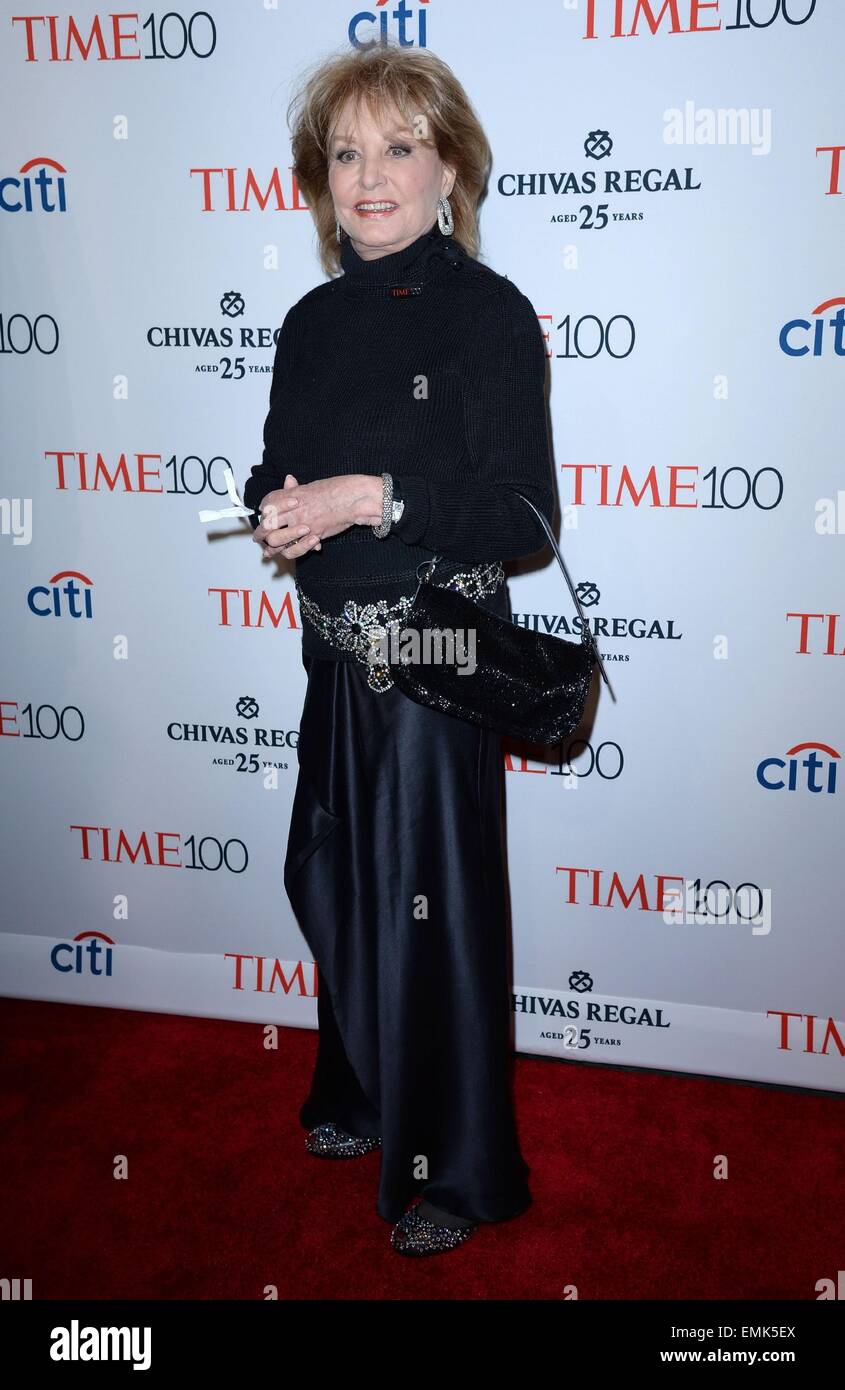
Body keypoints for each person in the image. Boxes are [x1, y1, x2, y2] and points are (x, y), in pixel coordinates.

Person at [243, 41, 556, 1257]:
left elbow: (522, 519)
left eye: (398, 147)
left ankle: (454, 1168)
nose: (369, 174)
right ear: (320, 181)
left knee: (432, 917)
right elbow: (278, 461)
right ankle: (363, 1092)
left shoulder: (486, 314)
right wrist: (275, 500)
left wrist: (371, 496)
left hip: (435, 654)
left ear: (449, 170)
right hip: (331, 653)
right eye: (345, 152)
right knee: (335, 883)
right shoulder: (310, 320)